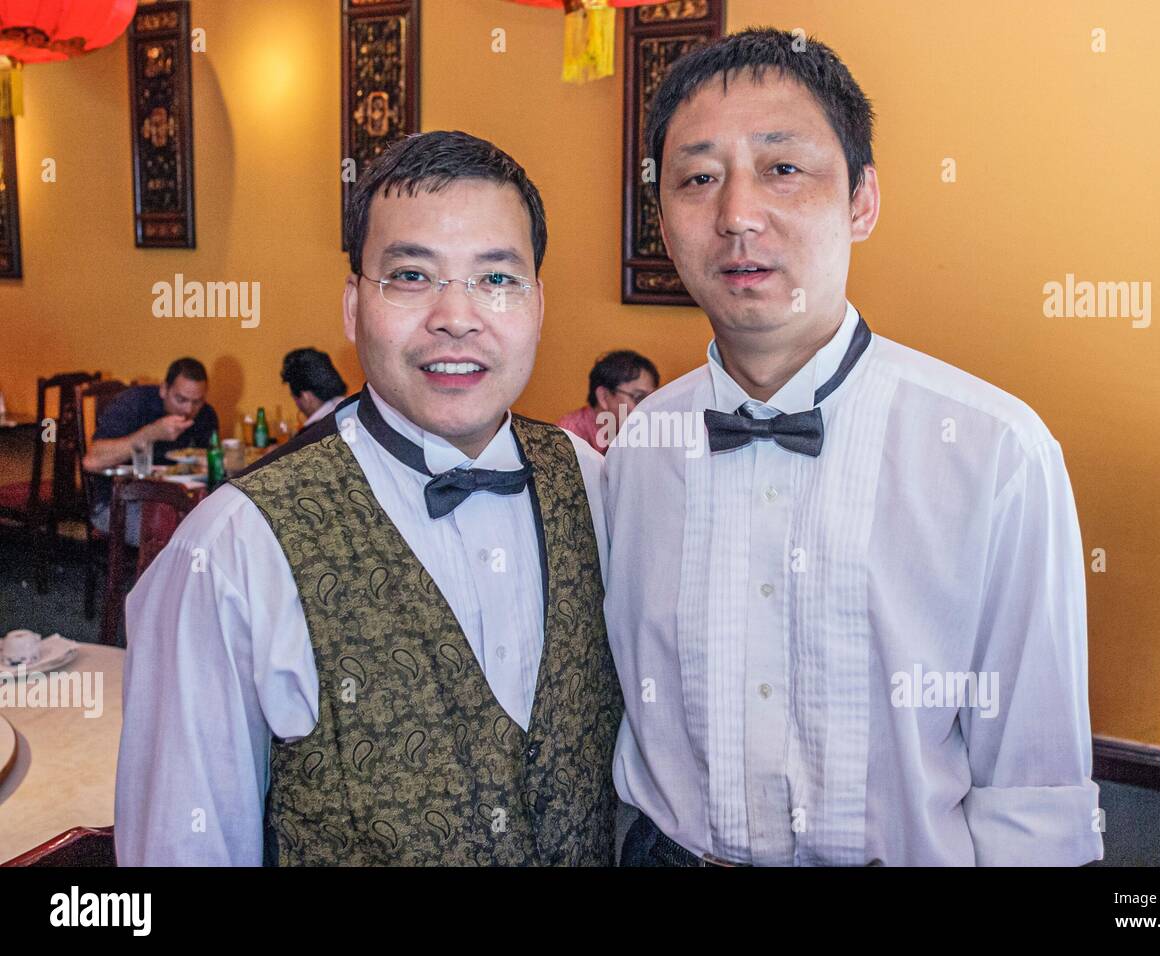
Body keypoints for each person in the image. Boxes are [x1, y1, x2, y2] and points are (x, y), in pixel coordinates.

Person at [604, 29, 1103, 866]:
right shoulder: (635, 454)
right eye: (698, 178)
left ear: (862, 200)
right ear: (664, 218)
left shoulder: (996, 454)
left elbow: (1035, 793)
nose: (737, 215)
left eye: (783, 168)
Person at [115, 131, 622, 865]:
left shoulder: (595, 483)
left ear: (538, 305)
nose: (457, 315)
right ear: (353, 307)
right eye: (412, 276)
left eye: (497, 279)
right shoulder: (232, 547)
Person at [82, 357, 219, 544]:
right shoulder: (133, 403)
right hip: (119, 504)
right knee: (187, 536)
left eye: (197, 402)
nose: (188, 409)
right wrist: (151, 433)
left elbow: (211, 468)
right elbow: (91, 461)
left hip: (178, 502)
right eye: (181, 399)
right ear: (164, 389)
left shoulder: (206, 414)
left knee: (222, 529)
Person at [556, 350, 659, 454]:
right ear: (604, 397)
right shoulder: (566, 436)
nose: (648, 408)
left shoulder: (640, 434)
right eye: (639, 398)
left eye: (652, 399)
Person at [280, 347, 348, 430]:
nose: (298, 406)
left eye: (296, 400)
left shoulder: (312, 434)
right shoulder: (357, 410)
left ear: (306, 396)